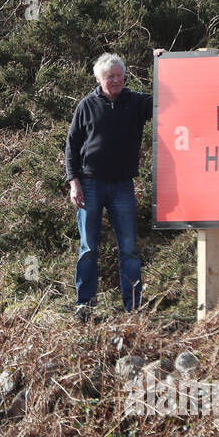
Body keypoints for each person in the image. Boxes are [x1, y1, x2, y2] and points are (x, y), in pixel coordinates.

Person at [64, 49, 166, 318]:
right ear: (99, 79)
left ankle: (133, 307)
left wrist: (163, 64)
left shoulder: (136, 102)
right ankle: (84, 304)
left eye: (121, 75)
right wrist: (74, 182)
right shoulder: (86, 106)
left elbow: (165, 102)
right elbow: (72, 146)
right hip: (90, 185)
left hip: (122, 186)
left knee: (129, 248)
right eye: (111, 76)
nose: (117, 81)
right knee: (88, 247)